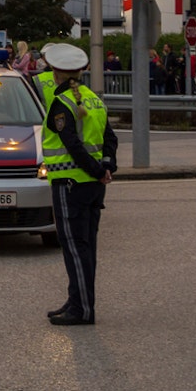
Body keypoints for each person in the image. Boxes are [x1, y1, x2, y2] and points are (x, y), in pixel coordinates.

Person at [40, 43, 118, 326]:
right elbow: (110, 139)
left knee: (74, 247)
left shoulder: (62, 103)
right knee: (86, 247)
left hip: (69, 184)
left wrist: (97, 169)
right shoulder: (93, 99)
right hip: (93, 185)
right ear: (81, 71)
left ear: (55, 72)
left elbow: (71, 144)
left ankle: (82, 309)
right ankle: (77, 300)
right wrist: (107, 166)